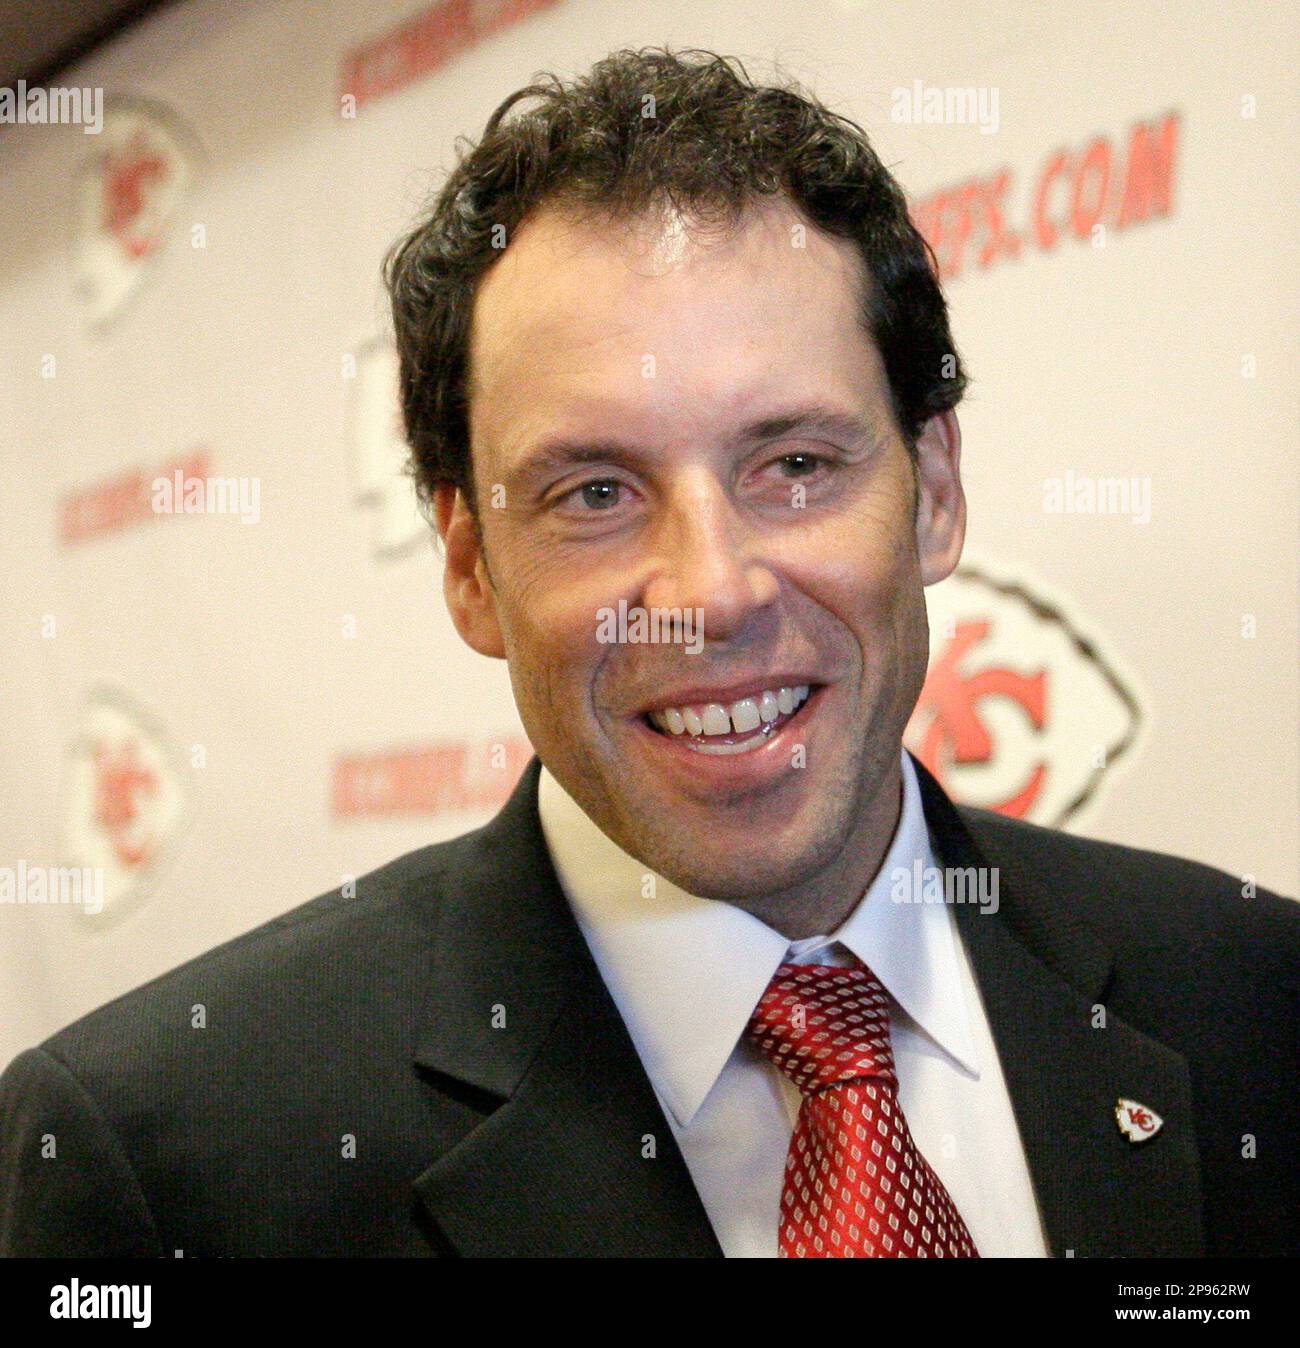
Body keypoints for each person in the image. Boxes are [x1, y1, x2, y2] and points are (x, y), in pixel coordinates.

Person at [2, 47, 1296, 1259]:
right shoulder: (160, 1166)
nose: (711, 593)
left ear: (936, 489)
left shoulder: (1255, 996)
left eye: (794, 464)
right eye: (595, 495)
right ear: (468, 567)